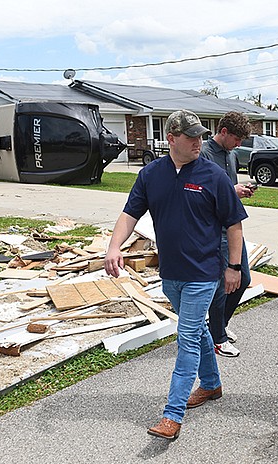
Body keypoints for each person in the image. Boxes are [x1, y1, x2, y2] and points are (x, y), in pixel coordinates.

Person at [104, 110, 248, 440]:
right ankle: (211, 385)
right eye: (191, 136)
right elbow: (130, 214)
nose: (199, 141)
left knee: (186, 337)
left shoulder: (214, 176)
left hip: (204, 273)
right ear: (172, 139)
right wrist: (114, 247)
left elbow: (234, 226)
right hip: (171, 274)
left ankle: (172, 414)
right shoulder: (151, 174)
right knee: (196, 331)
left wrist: (234, 267)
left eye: (200, 136)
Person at [200, 111, 254, 358]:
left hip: (232, 226)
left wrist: (239, 192)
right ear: (223, 132)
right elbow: (199, 191)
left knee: (242, 279)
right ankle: (218, 339)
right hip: (213, 230)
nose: (239, 145)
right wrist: (232, 190)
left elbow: (228, 189)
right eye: (237, 139)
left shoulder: (231, 156)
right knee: (222, 285)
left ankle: (218, 326)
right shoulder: (203, 154)